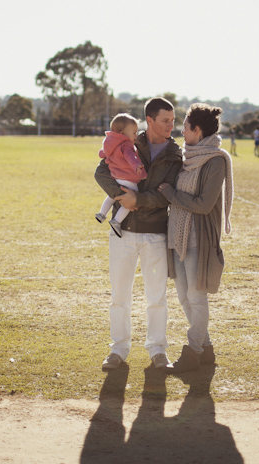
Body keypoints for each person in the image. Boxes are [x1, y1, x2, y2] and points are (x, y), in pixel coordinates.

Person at [94, 97, 183, 372]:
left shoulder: (176, 155)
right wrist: (123, 196)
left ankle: (158, 350)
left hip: (156, 234)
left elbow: (169, 196)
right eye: (166, 120)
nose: (171, 125)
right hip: (124, 234)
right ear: (150, 121)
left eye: (173, 120)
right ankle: (118, 349)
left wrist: (138, 200)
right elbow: (101, 172)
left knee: (157, 297)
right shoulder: (128, 141)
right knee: (119, 296)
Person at [158, 104, 234, 373]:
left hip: (198, 238)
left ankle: (193, 352)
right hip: (177, 235)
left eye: (185, 126)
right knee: (183, 296)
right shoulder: (187, 157)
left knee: (196, 296)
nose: (181, 129)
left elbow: (203, 204)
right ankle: (207, 349)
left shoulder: (215, 161)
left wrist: (171, 195)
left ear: (197, 130)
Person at [95, 113, 148, 238]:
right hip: (128, 178)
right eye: (134, 132)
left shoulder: (111, 144)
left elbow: (103, 153)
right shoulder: (126, 145)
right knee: (131, 200)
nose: (136, 135)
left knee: (112, 196)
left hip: (116, 176)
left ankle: (101, 214)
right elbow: (130, 157)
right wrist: (136, 165)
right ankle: (116, 221)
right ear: (123, 133)